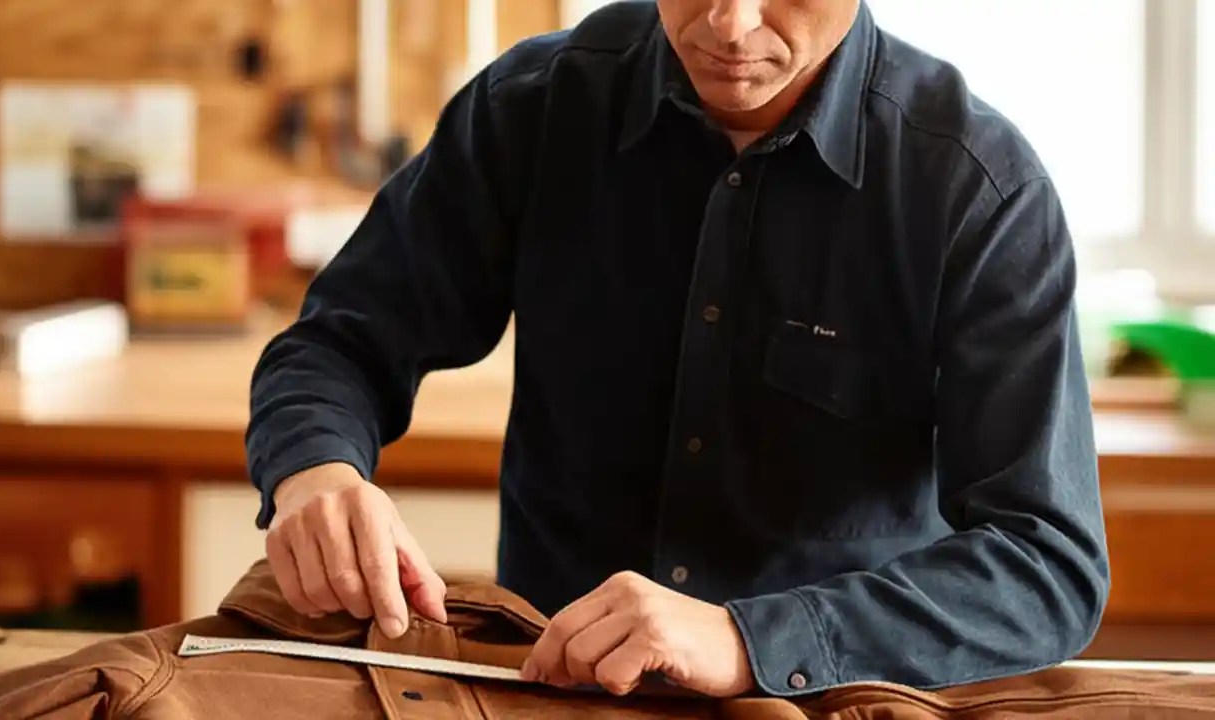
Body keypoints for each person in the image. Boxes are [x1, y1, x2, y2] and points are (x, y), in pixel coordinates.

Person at [245, 0, 1109, 700]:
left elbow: (1046, 567)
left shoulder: (977, 187)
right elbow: (338, 342)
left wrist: (749, 638)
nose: (729, 24)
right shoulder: (534, 107)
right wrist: (315, 471)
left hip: (831, 702)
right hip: (552, 692)